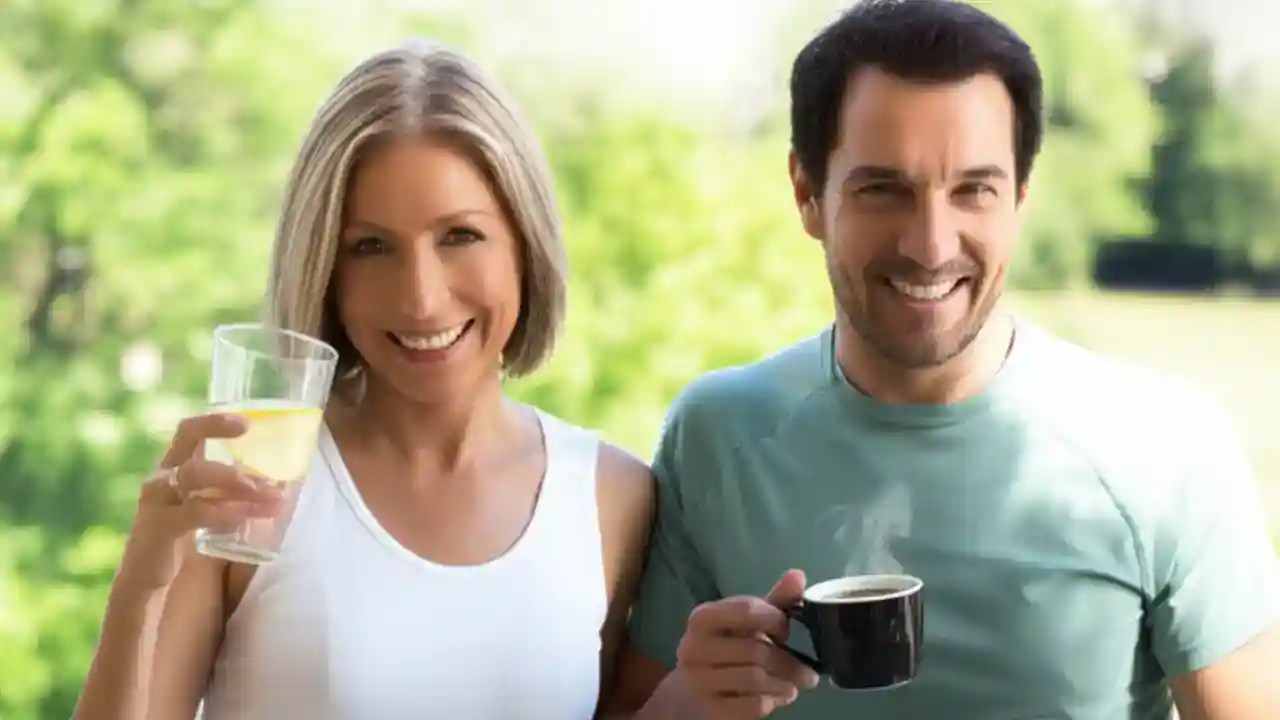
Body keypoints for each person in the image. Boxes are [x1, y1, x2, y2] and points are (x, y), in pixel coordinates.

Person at [603, 1, 1280, 718]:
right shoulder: (717, 436)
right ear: (808, 194)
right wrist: (680, 701)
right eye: (883, 189)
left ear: (1020, 195)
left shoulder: (1162, 446)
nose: (930, 244)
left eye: (973, 190)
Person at [74, 40, 654, 720]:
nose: (421, 299)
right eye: (369, 247)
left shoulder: (611, 497)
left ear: (525, 243)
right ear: (325, 269)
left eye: (459, 236)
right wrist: (142, 582)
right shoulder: (249, 485)